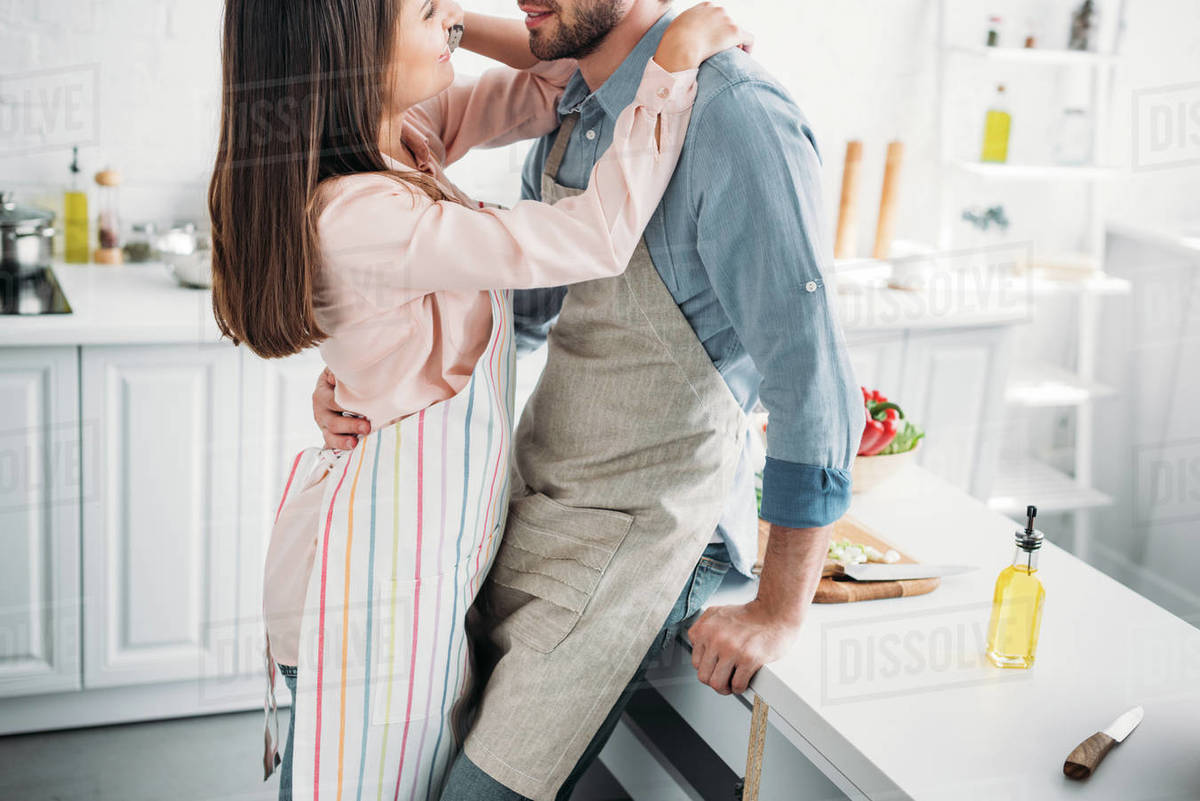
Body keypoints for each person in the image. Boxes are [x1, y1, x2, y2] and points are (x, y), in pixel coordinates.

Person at [313, 0, 864, 798]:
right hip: (523, 523)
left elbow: (813, 378)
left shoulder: (735, 116)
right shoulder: (576, 108)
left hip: (638, 547)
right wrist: (371, 369)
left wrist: (778, 610)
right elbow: (517, 312)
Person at [207, 0, 751, 799]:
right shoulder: (362, 212)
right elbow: (593, 237)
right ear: (352, 52)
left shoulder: (402, 138)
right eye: (431, 13)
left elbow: (559, 77)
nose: (456, 24)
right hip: (366, 590)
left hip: (404, 567)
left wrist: (454, 24)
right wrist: (670, 66)